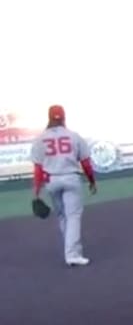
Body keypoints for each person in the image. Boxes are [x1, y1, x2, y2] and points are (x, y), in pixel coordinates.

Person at [30, 104, 98, 267]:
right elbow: (86, 163)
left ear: (49, 118)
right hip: (71, 178)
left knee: (62, 216)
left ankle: (70, 250)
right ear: (64, 117)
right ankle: (73, 254)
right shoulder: (74, 136)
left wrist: (37, 191)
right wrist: (92, 181)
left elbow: (38, 168)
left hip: (52, 180)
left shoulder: (40, 139)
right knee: (73, 216)